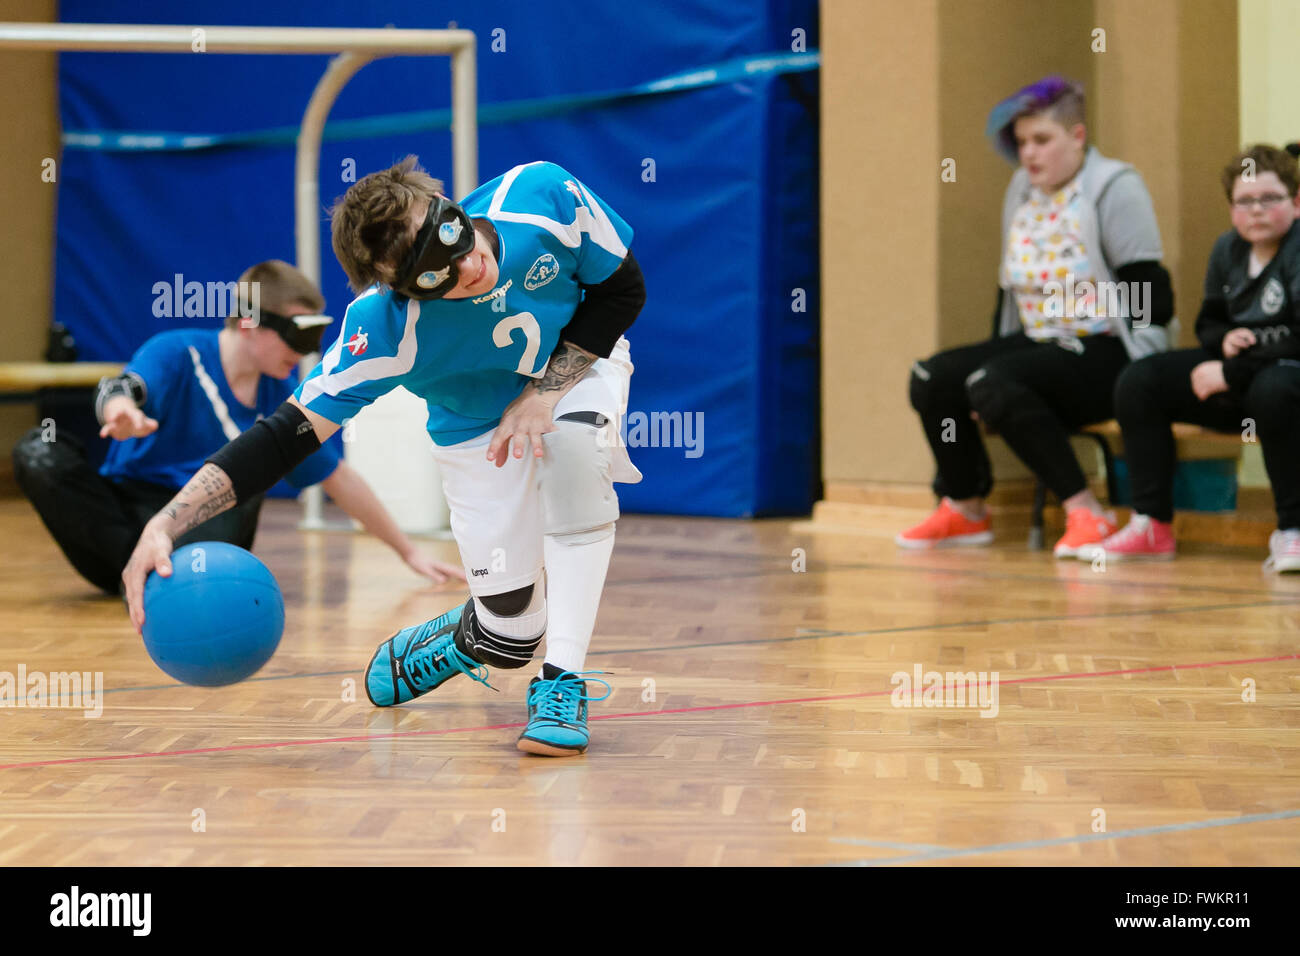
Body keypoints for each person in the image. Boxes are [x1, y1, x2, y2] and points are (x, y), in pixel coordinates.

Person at [121, 159, 646, 757]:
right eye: (436, 276)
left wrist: (546, 392)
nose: (469, 267)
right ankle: (470, 637)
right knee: (512, 636)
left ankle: (562, 686)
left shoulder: (540, 195)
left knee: (578, 456)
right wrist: (167, 521)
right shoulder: (383, 328)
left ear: (447, 205)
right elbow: (285, 435)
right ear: (399, 289)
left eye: (456, 237)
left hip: (574, 370)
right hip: (474, 430)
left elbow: (621, 288)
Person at [12, 259, 464, 595]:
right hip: (125, 514)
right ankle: (144, 570)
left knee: (245, 485)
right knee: (39, 451)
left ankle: (161, 578)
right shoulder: (178, 352)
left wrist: (409, 551)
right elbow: (125, 386)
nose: (306, 350)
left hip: (199, 525)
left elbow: (337, 477)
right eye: (297, 333)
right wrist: (118, 409)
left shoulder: (282, 395)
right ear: (250, 322)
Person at [897, 76, 1175, 557]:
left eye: (1042, 140)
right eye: (1022, 142)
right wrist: (989, 356)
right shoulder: (1022, 190)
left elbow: (1149, 285)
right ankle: (965, 508)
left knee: (993, 380)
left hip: (1105, 347)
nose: (1029, 154)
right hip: (1040, 341)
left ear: (1078, 136)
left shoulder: (1115, 186)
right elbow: (1009, 288)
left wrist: (1145, 373)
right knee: (931, 377)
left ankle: (1089, 511)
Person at [1082, 145, 1300, 571]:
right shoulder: (1227, 250)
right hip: (1242, 384)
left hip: (1282, 385)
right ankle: (1151, 524)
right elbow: (1209, 323)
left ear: (1296, 201)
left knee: (1275, 389)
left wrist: (1231, 370)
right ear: (1232, 208)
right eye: (1244, 201)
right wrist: (1223, 345)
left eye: (1269, 199)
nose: (1256, 211)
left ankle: (1293, 530)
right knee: (1141, 380)